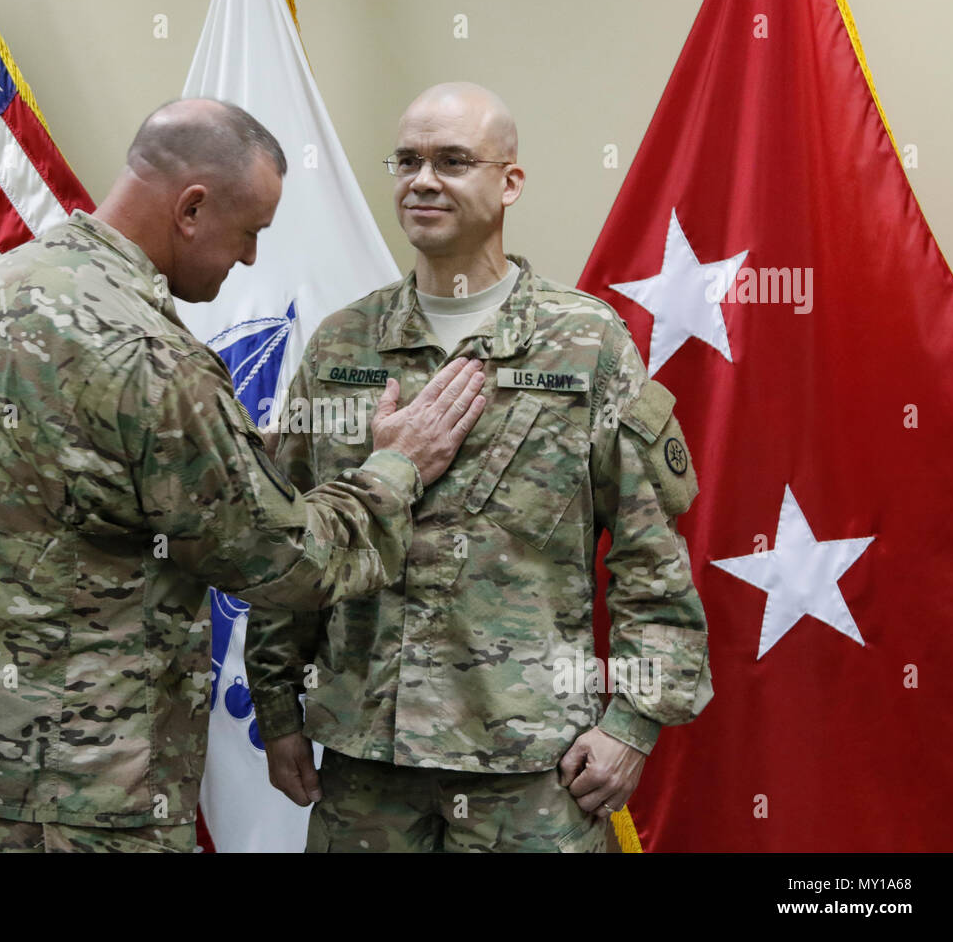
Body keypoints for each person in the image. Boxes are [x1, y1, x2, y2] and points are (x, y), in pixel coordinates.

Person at [0, 98, 488, 853]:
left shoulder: (7, 286)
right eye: (249, 233)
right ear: (191, 208)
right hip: (85, 788)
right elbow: (285, 564)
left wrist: (239, 448)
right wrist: (396, 469)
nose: (248, 259)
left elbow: (80, 469)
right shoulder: (155, 361)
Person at [245, 82, 713, 852]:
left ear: (510, 182)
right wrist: (278, 708)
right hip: (366, 760)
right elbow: (291, 542)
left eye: (453, 161)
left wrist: (631, 722)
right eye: (408, 160)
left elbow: (649, 561)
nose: (422, 180)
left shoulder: (585, 344)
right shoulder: (342, 346)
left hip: (528, 767)